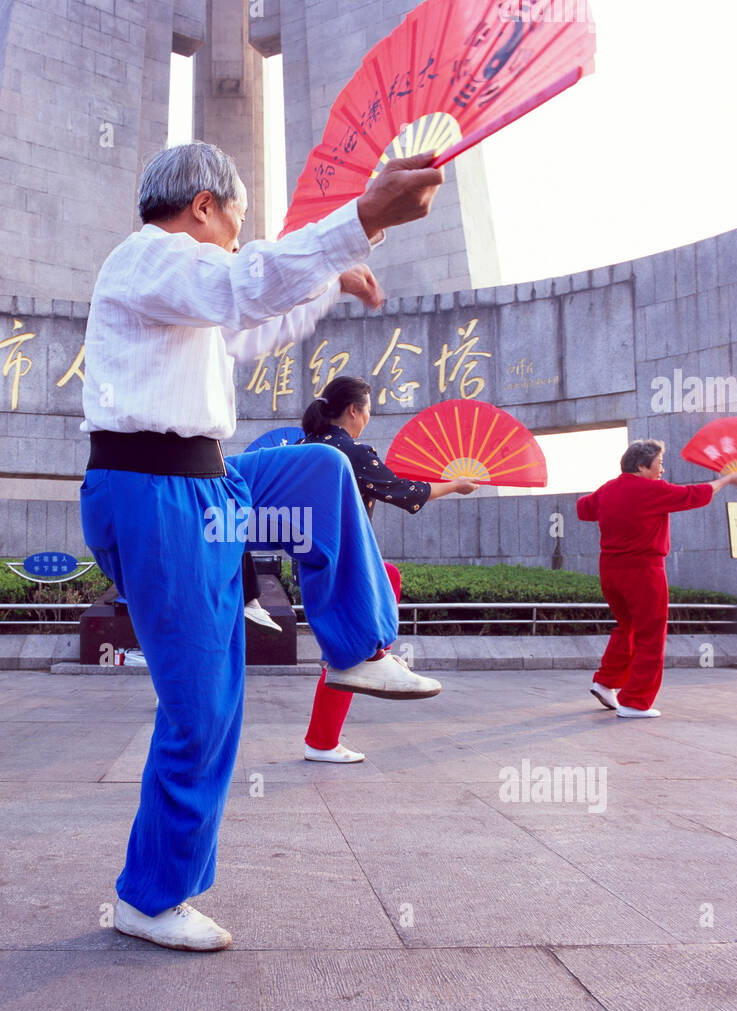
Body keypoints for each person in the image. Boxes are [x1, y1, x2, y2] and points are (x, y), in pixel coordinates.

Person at [81, 141, 447, 951]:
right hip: (156, 496)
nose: (240, 241)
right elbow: (243, 287)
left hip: (210, 489)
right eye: (237, 223)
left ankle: (356, 647)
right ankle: (150, 896)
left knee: (319, 470)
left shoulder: (181, 295)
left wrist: (336, 274)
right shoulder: (149, 259)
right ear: (203, 205)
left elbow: (249, 328)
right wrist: (358, 223)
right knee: (204, 709)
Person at [298, 376, 478, 762]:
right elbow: (406, 492)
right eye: (368, 409)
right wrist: (454, 483)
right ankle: (375, 655)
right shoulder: (351, 453)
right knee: (356, 645)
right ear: (353, 410)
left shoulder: (301, 449)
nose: (368, 417)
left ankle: (324, 737)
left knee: (344, 656)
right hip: (348, 562)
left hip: (311, 561)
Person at [576, 439, 737, 717]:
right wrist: (728, 479)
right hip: (643, 569)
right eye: (658, 465)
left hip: (610, 570)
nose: (662, 471)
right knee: (651, 636)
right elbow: (696, 494)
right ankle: (635, 702)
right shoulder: (651, 490)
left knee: (628, 628)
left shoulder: (608, 489)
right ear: (642, 466)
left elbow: (583, 508)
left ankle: (606, 682)